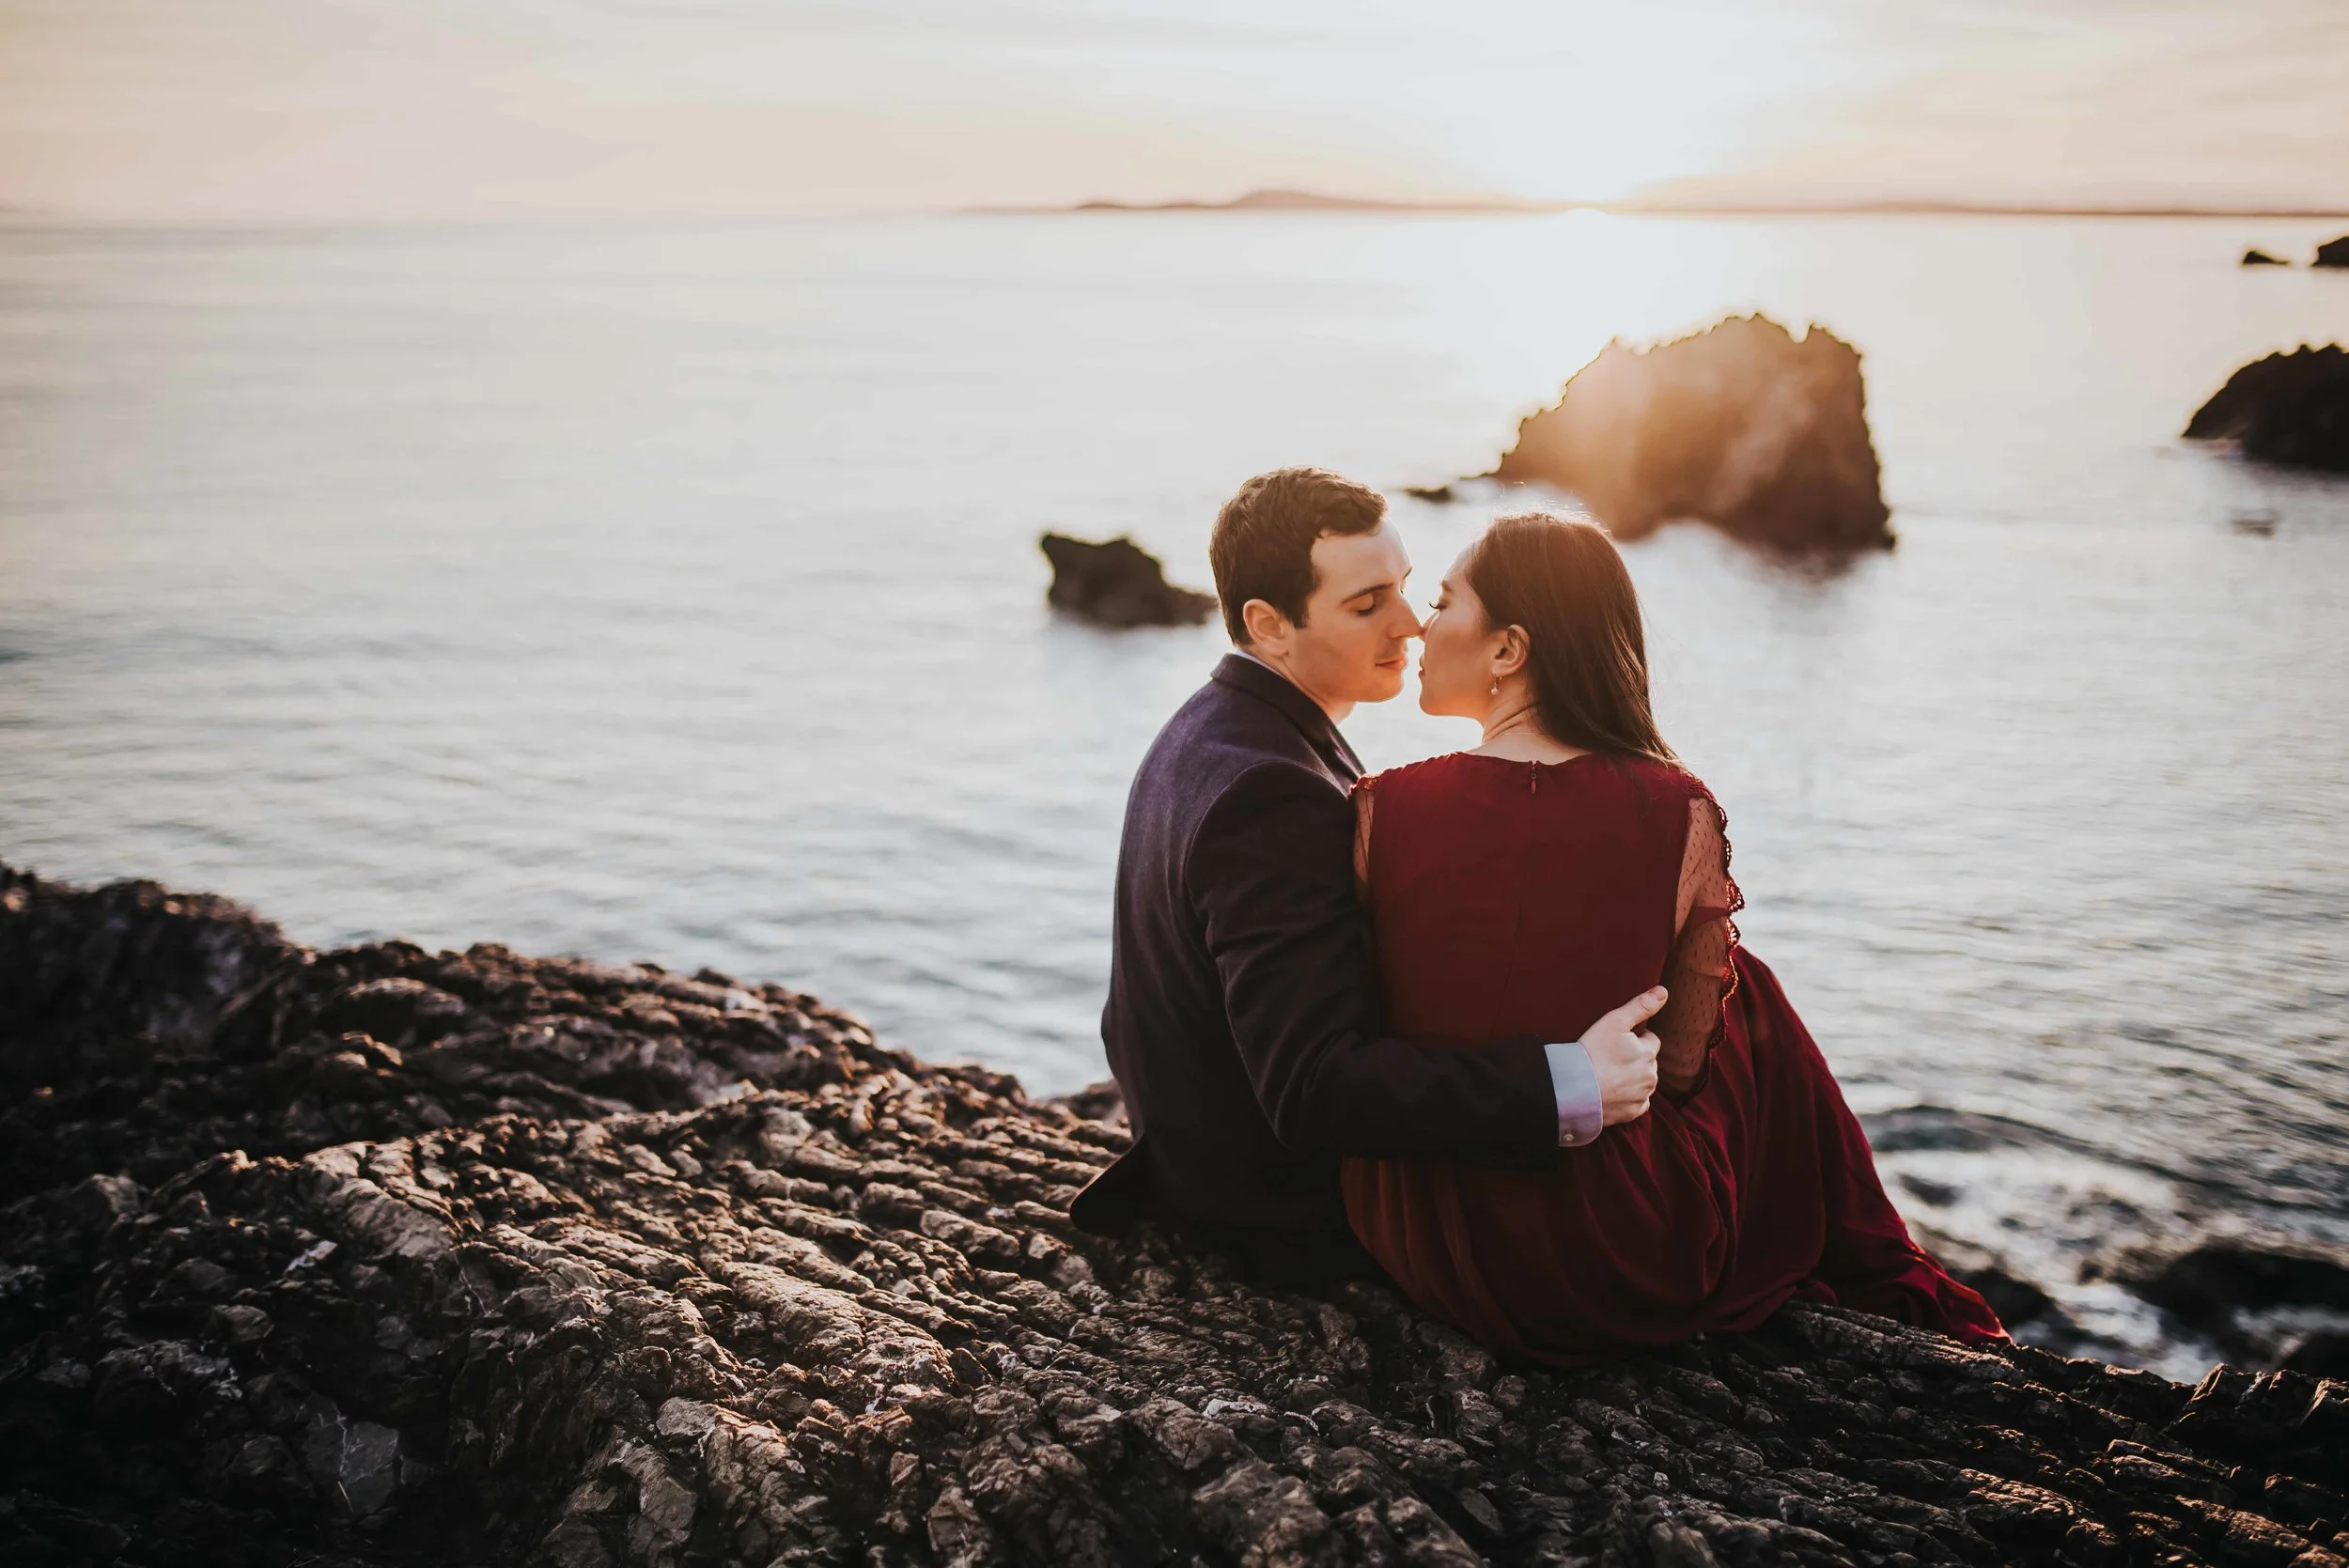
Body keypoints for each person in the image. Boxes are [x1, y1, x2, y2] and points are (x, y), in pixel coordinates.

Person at [1342, 511, 2004, 1359]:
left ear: (1509, 649)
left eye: (1441, 602)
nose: (1420, 627)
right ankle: (1860, 1236)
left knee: (1729, 974)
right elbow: (1684, 1069)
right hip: (1618, 1256)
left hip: (1419, 1232)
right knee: (1743, 983)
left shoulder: (1377, 808)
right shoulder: (1678, 808)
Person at [1068, 469, 1668, 1283]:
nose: (1411, 626)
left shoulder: (1205, 729)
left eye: (1407, 590)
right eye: (1366, 605)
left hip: (1199, 1161)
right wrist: (1565, 1081)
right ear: (1269, 624)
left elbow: (1129, 1013)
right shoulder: (1274, 795)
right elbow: (1314, 1086)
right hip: (1278, 1219)